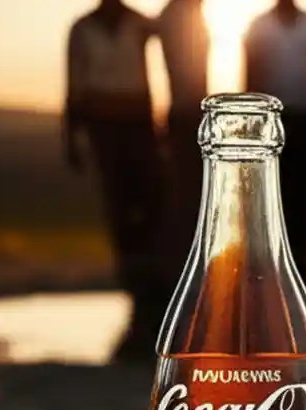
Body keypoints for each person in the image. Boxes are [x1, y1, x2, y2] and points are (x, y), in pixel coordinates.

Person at [64, 0, 168, 355]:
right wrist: (71, 136)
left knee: (151, 204)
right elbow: (74, 81)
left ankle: (152, 284)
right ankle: (134, 281)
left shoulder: (140, 25)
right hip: (103, 126)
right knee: (119, 207)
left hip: (138, 123)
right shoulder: (82, 29)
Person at [243, 0, 306, 292]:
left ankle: (302, 270)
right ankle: (269, 271)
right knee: (271, 198)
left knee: (303, 197)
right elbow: (250, 78)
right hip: (271, 122)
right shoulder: (258, 27)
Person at [157, 0, 210, 244]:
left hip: (191, 112)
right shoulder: (179, 16)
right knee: (189, 191)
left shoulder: (187, 14)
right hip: (187, 114)